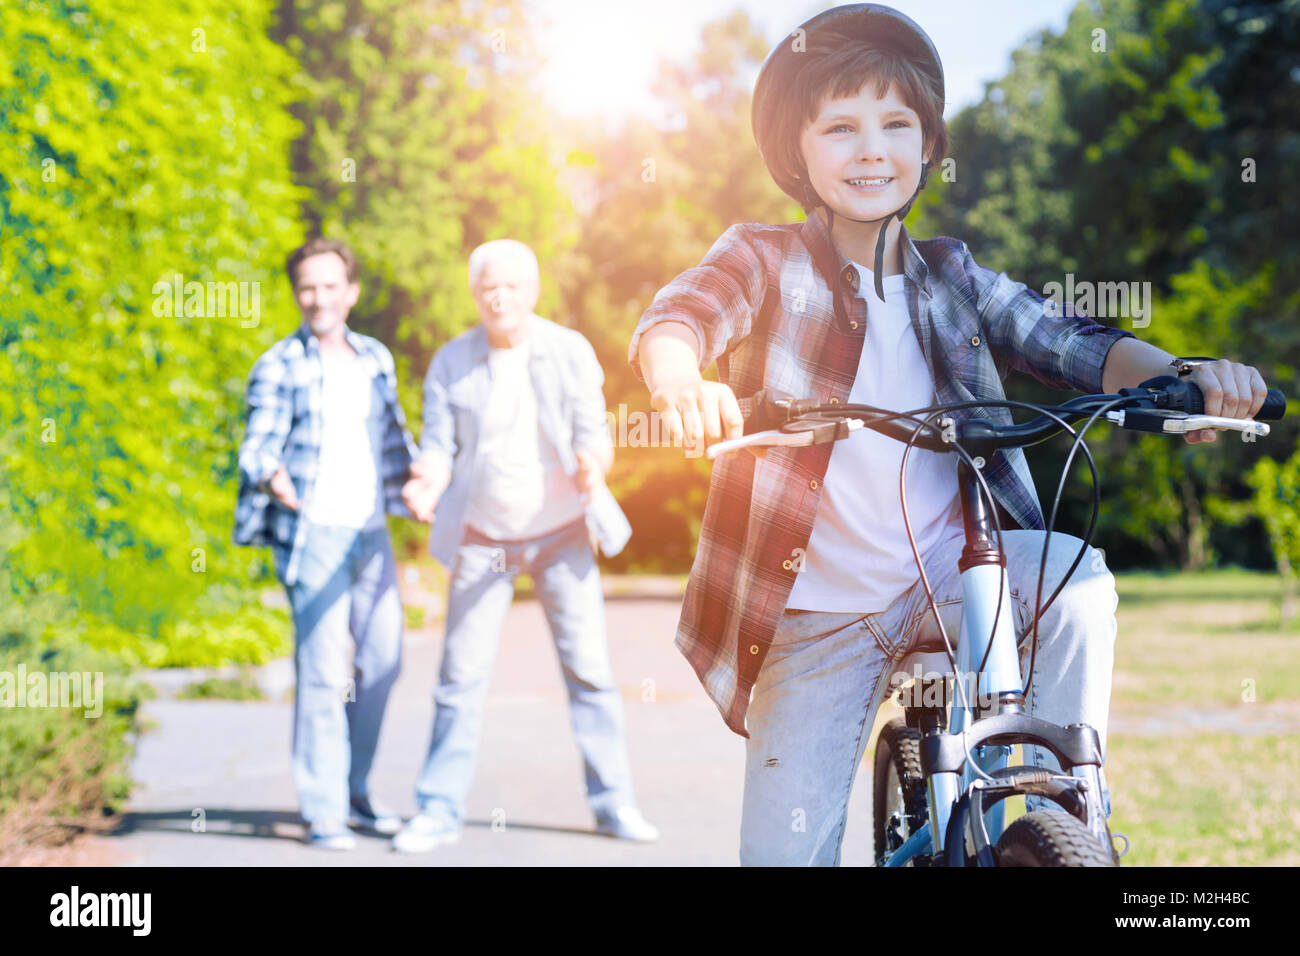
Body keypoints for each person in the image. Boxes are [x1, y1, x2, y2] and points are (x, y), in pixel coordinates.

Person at [629, 3, 1268, 866]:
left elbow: (1071, 341)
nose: (872, 149)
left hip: (950, 576)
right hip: (817, 615)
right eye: (842, 127)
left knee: (1075, 577)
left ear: (927, 145)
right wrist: (678, 379)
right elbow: (682, 316)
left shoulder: (953, 276)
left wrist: (1183, 375)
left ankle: (1057, 803)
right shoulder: (764, 259)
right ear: (798, 151)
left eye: (897, 124)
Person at [393, 239, 656, 853]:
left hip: (562, 531)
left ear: (532, 290)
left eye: (509, 284)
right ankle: (436, 810)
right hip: (484, 536)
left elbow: (595, 433)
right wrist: (427, 479)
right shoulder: (452, 362)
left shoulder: (568, 351)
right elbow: (436, 445)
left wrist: (594, 465)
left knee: (590, 671)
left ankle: (614, 804)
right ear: (474, 293)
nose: (497, 295)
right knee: (459, 675)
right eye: (486, 285)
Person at [234, 237, 417, 850]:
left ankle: (355, 790)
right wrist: (271, 473)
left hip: (370, 532)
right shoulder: (279, 364)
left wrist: (421, 485)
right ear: (298, 294)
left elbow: (396, 437)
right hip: (314, 535)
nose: (318, 298)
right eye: (307, 287)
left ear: (351, 292)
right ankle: (323, 810)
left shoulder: (375, 359)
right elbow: (256, 444)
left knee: (385, 659)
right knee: (321, 674)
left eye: (329, 286)